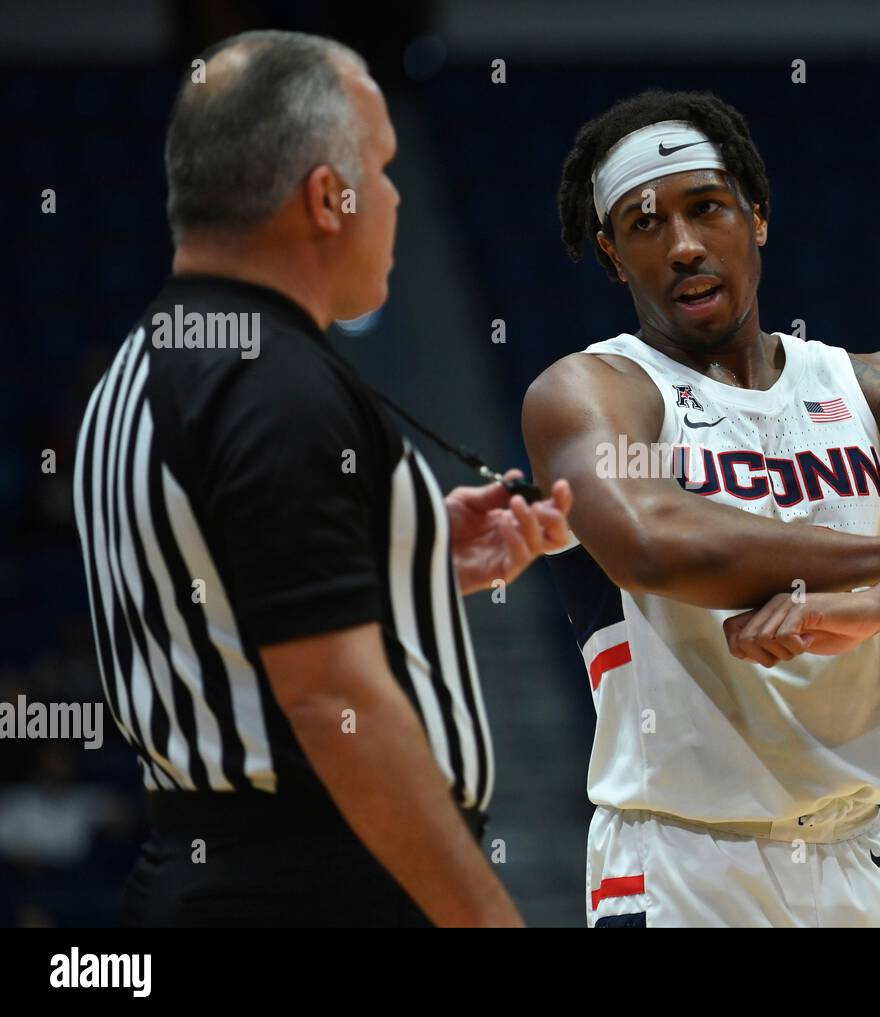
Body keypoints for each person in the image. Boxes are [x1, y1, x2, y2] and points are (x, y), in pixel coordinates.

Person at [522, 89, 880, 927]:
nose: (685, 244)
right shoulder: (591, 391)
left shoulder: (871, 389)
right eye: (647, 224)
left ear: (757, 218)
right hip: (683, 866)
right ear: (615, 256)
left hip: (862, 858)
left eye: (707, 208)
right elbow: (656, 542)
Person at [71, 29, 571, 928]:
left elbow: (226, 600)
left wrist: (402, 554)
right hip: (321, 893)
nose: (394, 193)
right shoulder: (272, 383)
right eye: (380, 168)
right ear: (326, 196)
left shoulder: (145, 365)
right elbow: (331, 695)